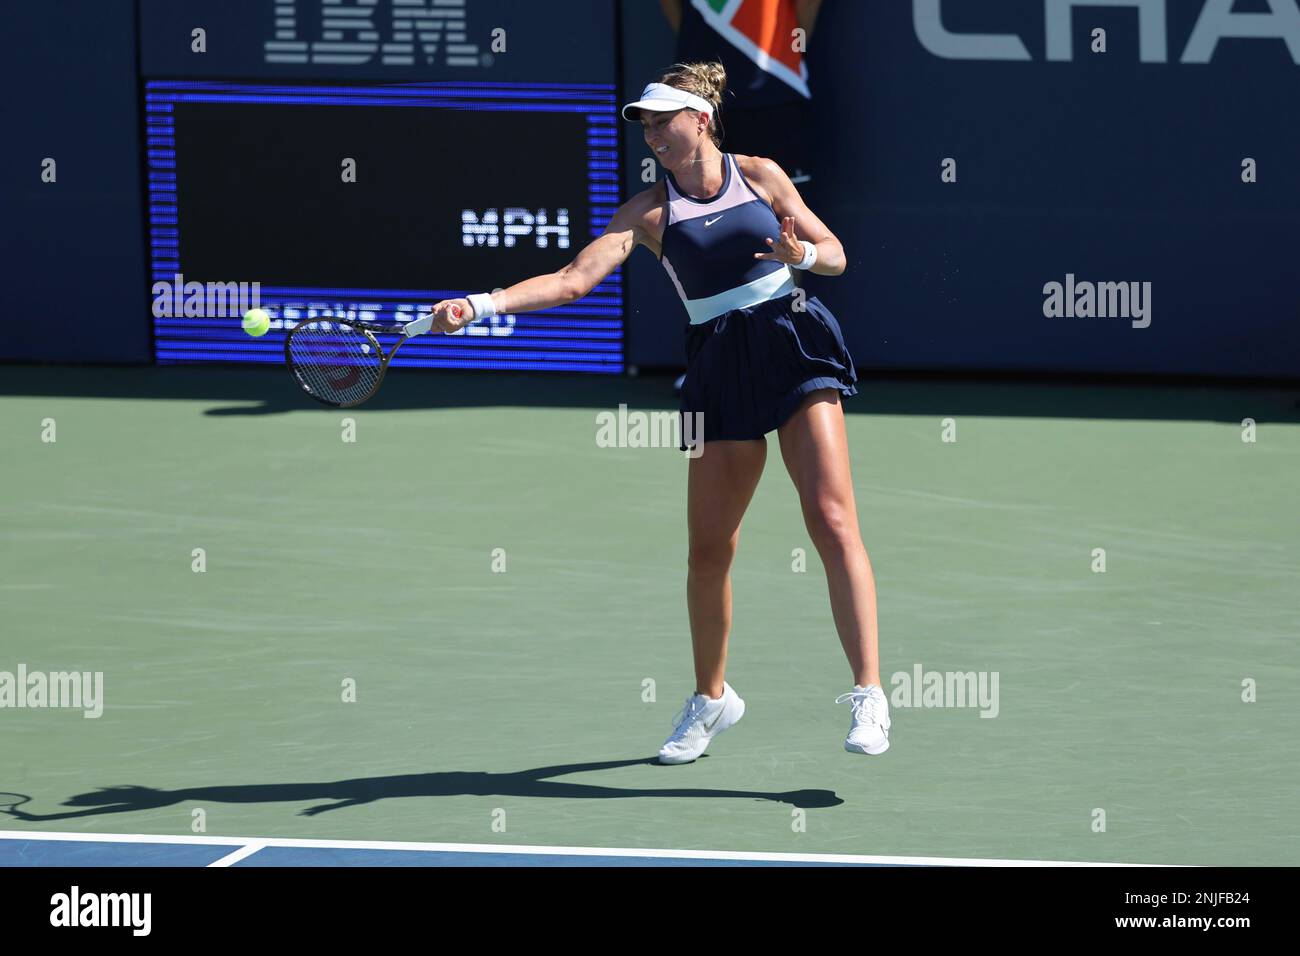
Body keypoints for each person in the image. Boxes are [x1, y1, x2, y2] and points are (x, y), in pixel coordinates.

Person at [428, 61, 890, 764]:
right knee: (710, 552)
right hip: (719, 367)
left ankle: (869, 696)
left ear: (699, 119)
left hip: (794, 339)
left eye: (661, 120)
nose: (651, 135)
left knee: (831, 518)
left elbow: (836, 255)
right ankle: (712, 701)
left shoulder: (761, 175)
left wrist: (804, 256)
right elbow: (571, 281)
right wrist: (481, 305)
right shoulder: (647, 213)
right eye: (643, 124)